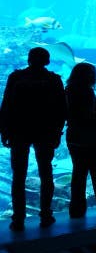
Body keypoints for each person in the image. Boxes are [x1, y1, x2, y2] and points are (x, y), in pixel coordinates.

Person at [0, 46, 66, 231]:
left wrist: (4, 131)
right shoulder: (54, 80)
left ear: (29, 59)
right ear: (47, 61)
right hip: (45, 133)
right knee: (46, 174)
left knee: (18, 176)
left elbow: (6, 105)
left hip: (19, 132)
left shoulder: (16, 77)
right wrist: (57, 133)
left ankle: (18, 219)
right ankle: (46, 215)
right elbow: (62, 110)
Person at [65, 62, 96, 218]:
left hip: (73, 137)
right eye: (93, 73)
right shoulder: (87, 92)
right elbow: (91, 116)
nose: (95, 76)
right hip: (90, 138)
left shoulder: (68, 90)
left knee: (78, 173)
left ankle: (76, 210)